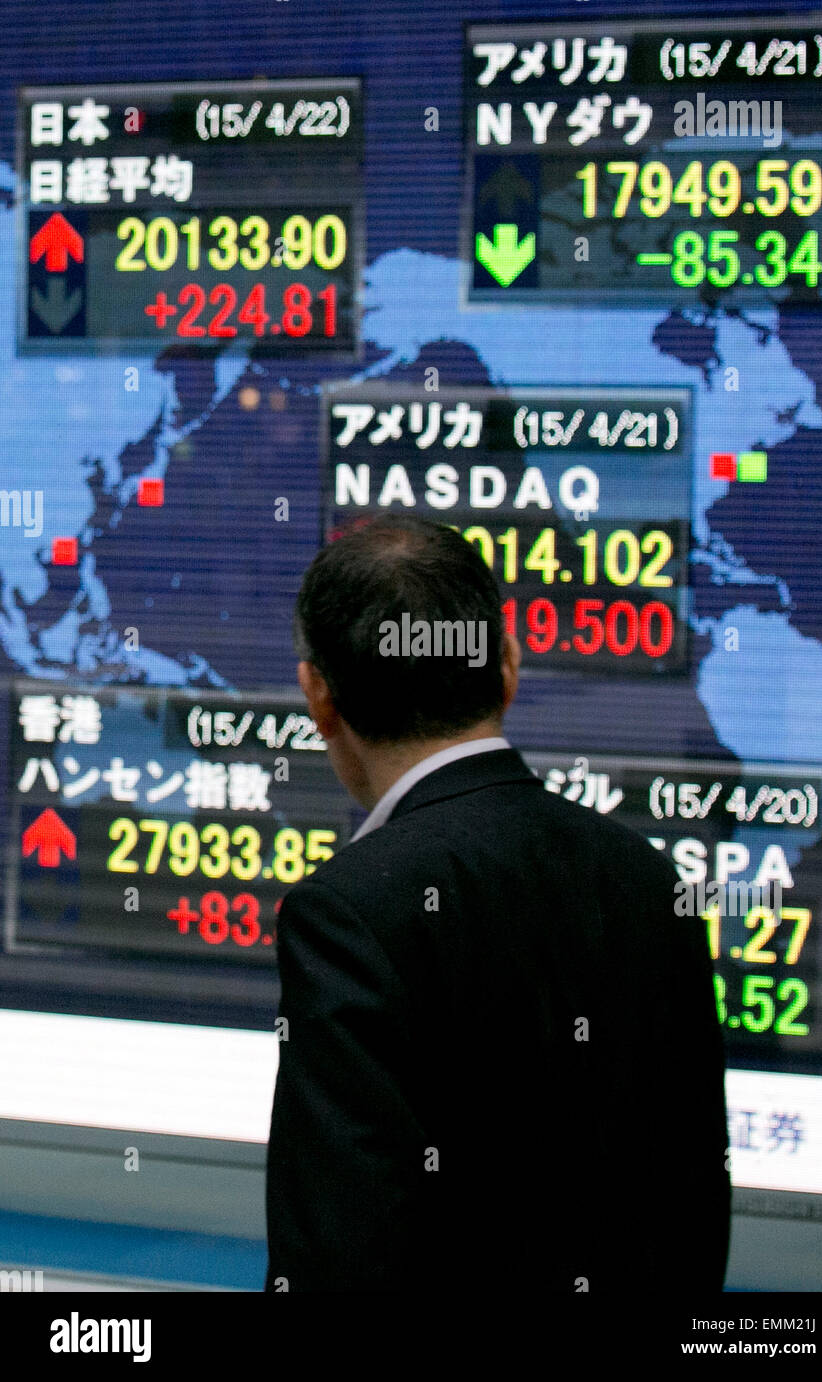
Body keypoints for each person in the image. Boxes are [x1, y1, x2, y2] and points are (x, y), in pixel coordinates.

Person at [265, 513, 730, 1293]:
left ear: (320, 697)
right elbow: (692, 1211)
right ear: (508, 666)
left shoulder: (346, 913)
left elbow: (338, 1260)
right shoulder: (650, 879)